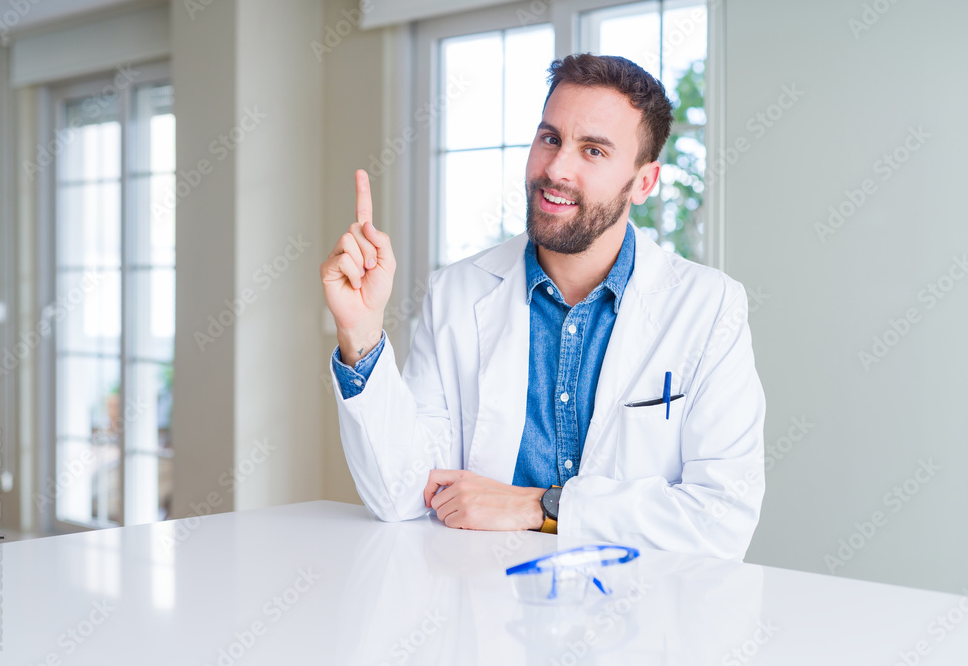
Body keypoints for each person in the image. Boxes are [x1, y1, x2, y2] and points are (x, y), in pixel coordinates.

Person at [319, 54, 765, 561]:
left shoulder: (709, 308)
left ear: (644, 182)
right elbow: (400, 494)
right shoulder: (457, 293)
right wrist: (361, 332)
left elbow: (722, 519)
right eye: (550, 138)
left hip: (637, 619)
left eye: (593, 150)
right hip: (487, 609)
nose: (556, 169)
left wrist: (543, 507)